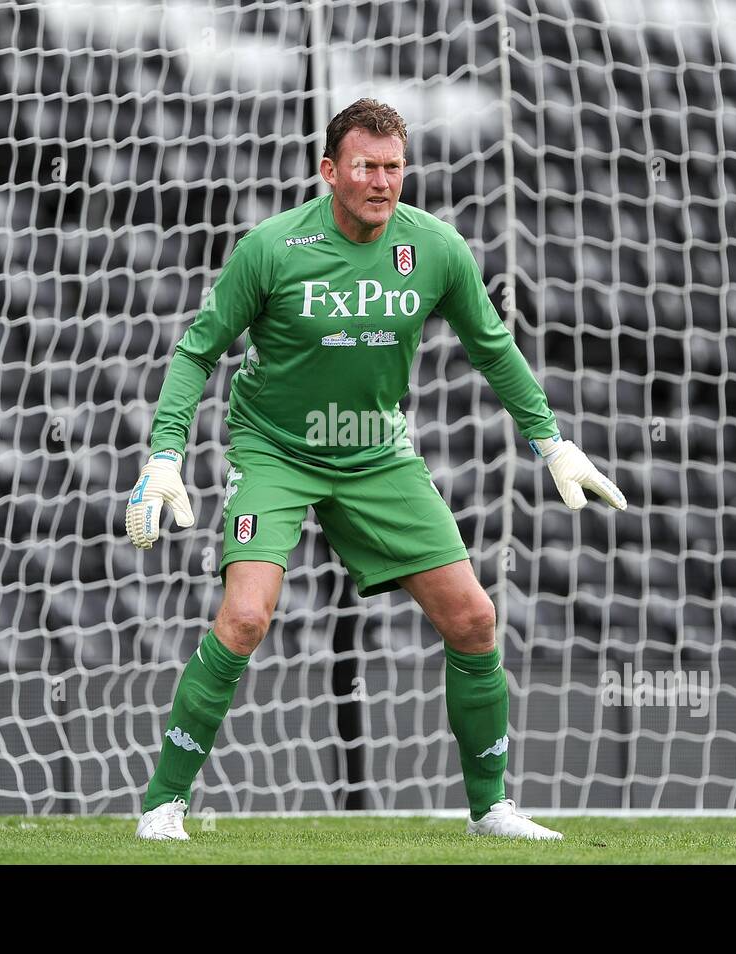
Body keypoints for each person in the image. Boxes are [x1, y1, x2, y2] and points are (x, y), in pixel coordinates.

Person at [126, 98, 626, 841]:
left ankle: (491, 810)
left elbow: (491, 347)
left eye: (394, 167)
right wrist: (165, 452)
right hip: (276, 450)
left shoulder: (436, 249)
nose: (383, 181)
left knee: (475, 618)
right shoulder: (271, 248)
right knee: (244, 618)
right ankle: (164, 803)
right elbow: (197, 350)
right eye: (366, 166)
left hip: (376, 452)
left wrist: (550, 442)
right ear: (330, 171)